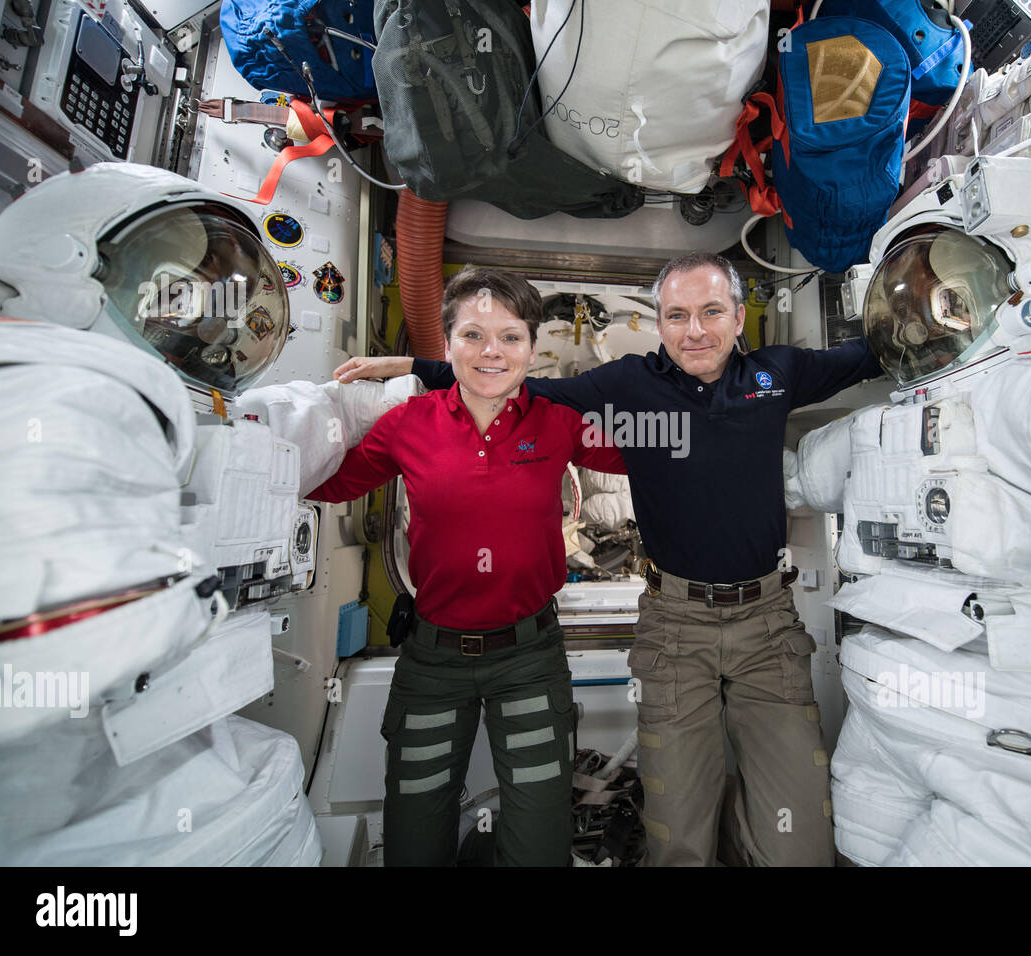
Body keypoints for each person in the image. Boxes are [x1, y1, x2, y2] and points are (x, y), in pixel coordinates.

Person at [335, 252, 882, 866]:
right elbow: (514, 378)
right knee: (677, 835)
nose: (695, 331)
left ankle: (755, 838)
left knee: (799, 844)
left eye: (711, 312)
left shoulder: (779, 373)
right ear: (658, 323)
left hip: (769, 621)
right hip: (676, 623)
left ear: (737, 317)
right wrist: (411, 368)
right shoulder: (628, 384)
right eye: (677, 315)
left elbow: (870, 355)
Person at [308, 267, 626, 866]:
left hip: (529, 658)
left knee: (539, 844)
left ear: (533, 348)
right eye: (473, 335)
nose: (492, 352)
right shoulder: (408, 424)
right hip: (432, 660)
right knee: (413, 838)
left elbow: (650, 454)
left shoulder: (558, 422)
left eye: (511, 337)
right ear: (447, 343)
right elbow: (329, 483)